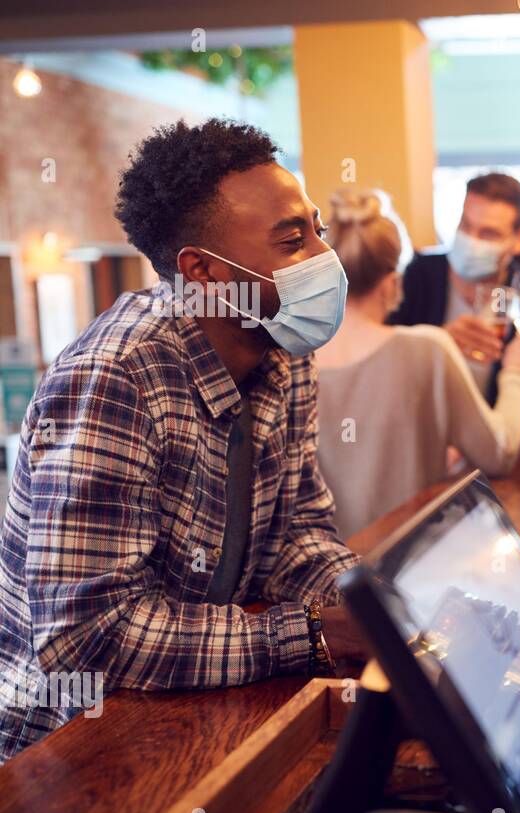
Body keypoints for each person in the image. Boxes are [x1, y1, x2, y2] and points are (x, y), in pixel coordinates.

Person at [0, 119, 371, 764]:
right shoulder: (115, 377)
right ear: (202, 270)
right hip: (63, 748)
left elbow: (297, 532)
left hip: (187, 706)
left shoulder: (281, 348)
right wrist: (310, 632)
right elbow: (86, 639)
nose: (323, 257)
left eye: (317, 230)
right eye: (292, 240)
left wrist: (374, 607)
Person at [314, 188, 520, 540]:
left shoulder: (296, 357)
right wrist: (516, 372)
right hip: (410, 564)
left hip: (327, 573)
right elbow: (499, 453)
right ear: (392, 283)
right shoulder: (430, 347)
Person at [388, 173, 520, 438]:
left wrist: (512, 377)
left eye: (488, 233)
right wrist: (436, 344)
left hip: (491, 459)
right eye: (465, 226)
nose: (471, 241)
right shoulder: (419, 277)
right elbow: (382, 367)